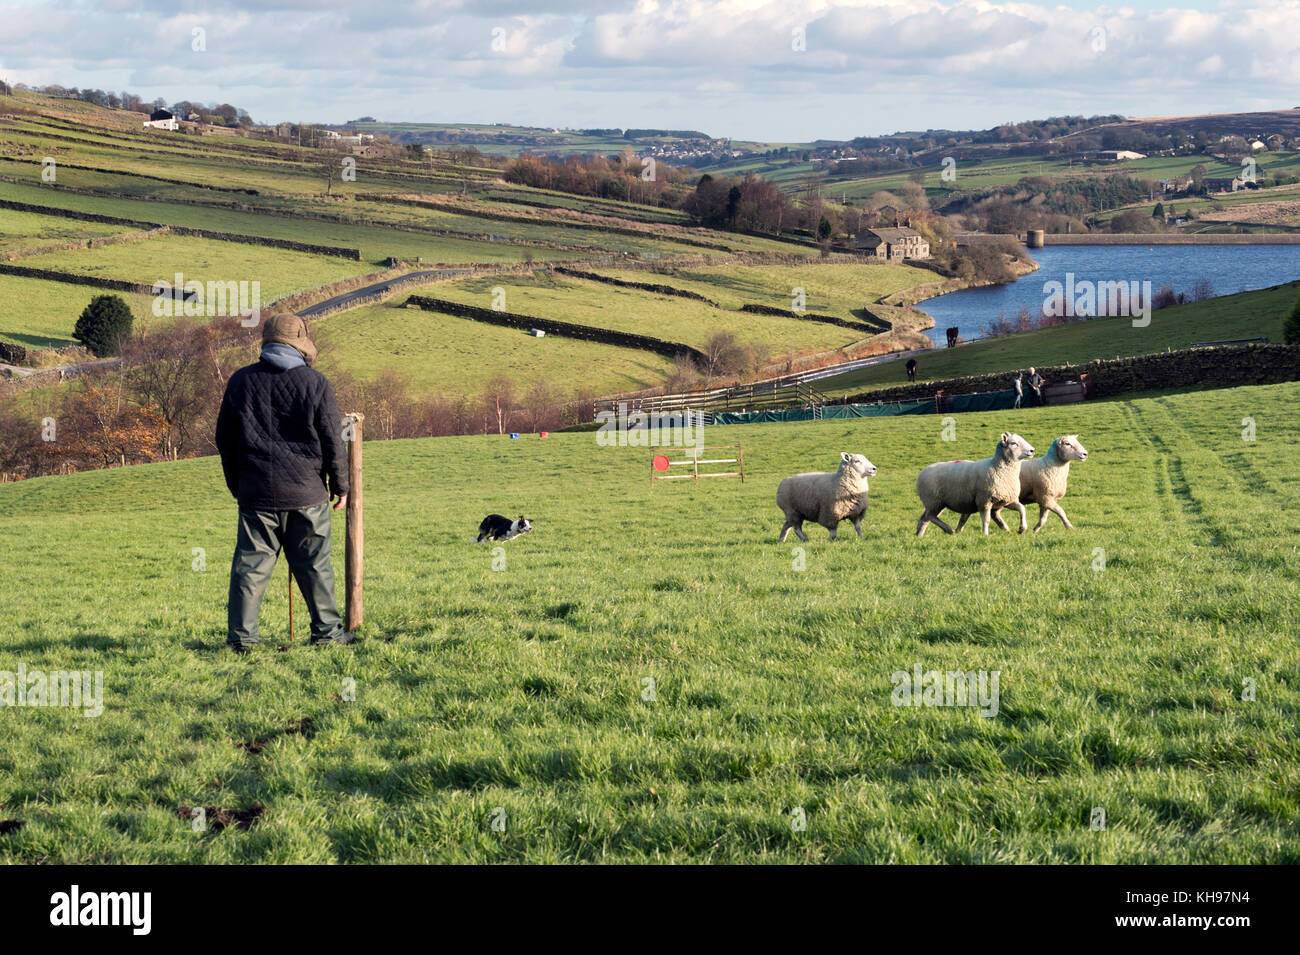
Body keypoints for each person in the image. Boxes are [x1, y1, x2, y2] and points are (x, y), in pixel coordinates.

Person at [216, 313, 354, 653]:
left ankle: (242, 640)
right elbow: (332, 441)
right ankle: (327, 634)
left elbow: (224, 440)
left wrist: (239, 486)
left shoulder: (239, 382)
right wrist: (341, 486)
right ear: (300, 344)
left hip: (255, 496)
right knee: (315, 567)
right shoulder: (317, 383)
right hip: (307, 495)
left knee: (250, 569)